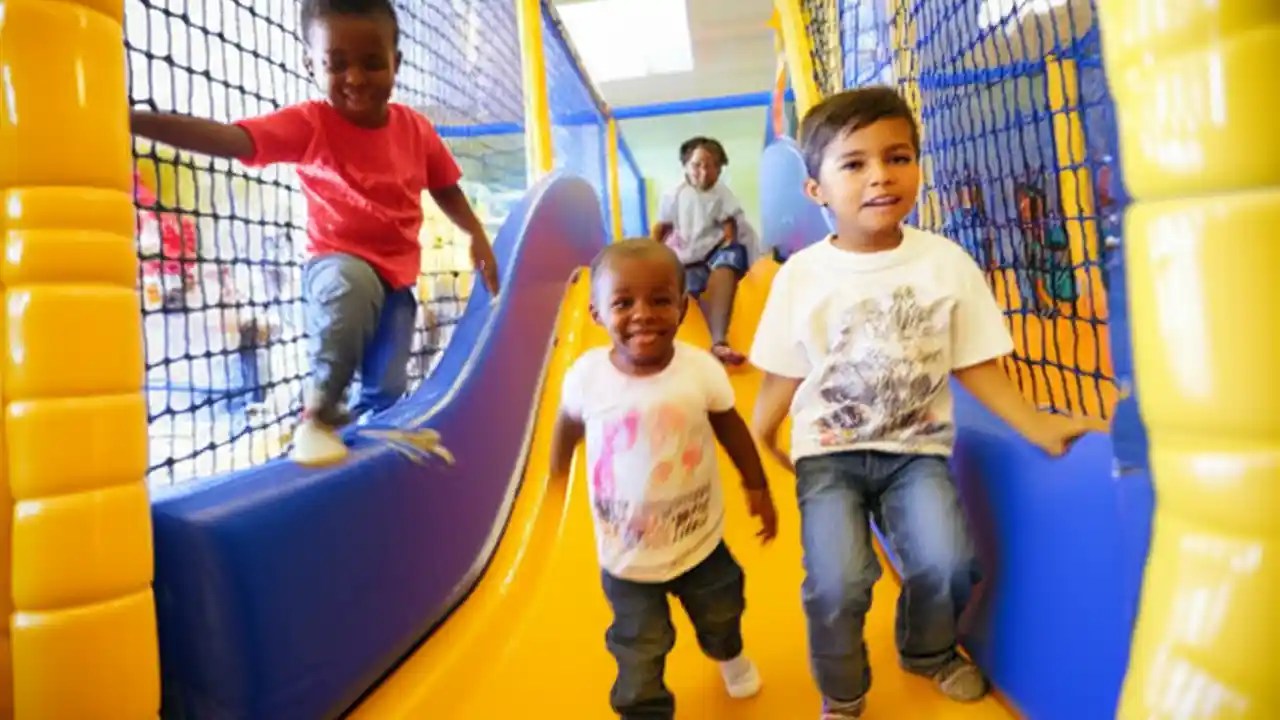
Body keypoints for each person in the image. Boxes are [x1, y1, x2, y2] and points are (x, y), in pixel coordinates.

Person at [748, 87, 1109, 719]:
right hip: (829, 456)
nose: (881, 175)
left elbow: (974, 362)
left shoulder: (944, 263)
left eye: (898, 157)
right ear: (817, 191)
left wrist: (1037, 425)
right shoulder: (801, 276)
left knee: (947, 564)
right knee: (839, 582)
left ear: (917, 164)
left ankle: (926, 649)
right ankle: (843, 689)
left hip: (916, 452)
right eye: (854, 164)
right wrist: (761, 435)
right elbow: (785, 368)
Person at [128, 0, 499, 465]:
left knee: (387, 386)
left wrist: (476, 236)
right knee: (351, 284)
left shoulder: (415, 129)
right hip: (336, 264)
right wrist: (135, 121)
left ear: (396, 63)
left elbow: (445, 187)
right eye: (336, 63)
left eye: (372, 63)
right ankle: (317, 413)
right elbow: (229, 138)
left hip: (398, 279)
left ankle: (367, 453)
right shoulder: (311, 124)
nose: (356, 78)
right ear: (311, 65)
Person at [550, 239, 780, 720]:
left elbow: (731, 428)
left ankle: (728, 653)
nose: (643, 314)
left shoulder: (699, 369)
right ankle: (643, 710)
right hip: (627, 556)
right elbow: (567, 424)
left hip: (700, 540)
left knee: (721, 609)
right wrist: (555, 476)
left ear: (681, 306)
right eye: (623, 302)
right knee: (638, 644)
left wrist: (757, 486)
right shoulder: (586, 376)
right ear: (596, 313)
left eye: (660, 300)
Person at [652, 137, 759, 366]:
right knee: (688, 289)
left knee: (727, 263)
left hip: (716, 249)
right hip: (689, 254)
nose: (704, 172)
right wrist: (653, 251)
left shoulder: (722, 194)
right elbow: (663, 227)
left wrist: (728, 244)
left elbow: (730, 225)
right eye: (697, 165)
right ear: (686, 166)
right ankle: (693, 345)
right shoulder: (674, 195)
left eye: (712, 166)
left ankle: (720, 341)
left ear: (720, 170)